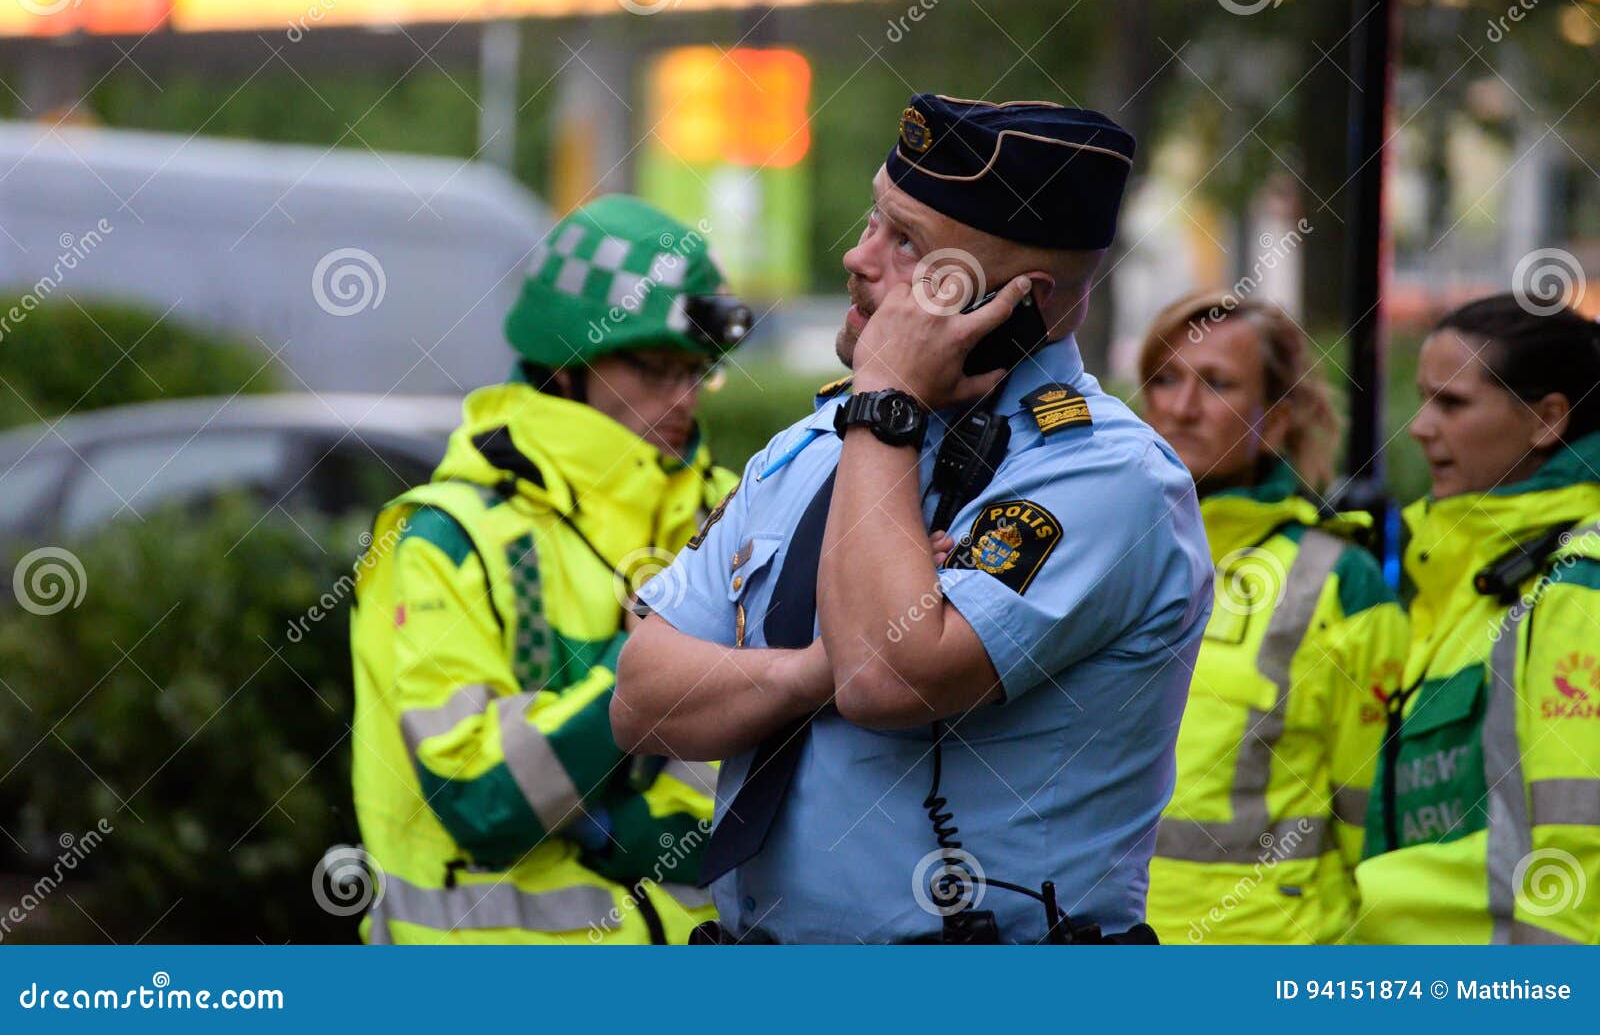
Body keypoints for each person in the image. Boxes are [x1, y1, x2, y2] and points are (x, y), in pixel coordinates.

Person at [612, 94, 1213, 944]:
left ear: (1019, 300)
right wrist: (817, 665)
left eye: (907, 244)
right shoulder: (816, 441)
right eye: (872, 219)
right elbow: (643, 702)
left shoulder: (1112, 480)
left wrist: (887, 405)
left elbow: (889, 681)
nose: (858, 257)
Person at [347, 195, 749, 943]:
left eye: (699, 372)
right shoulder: (446, 537)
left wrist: (618, 817)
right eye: (657, 368)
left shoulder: (737, 511)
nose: (685, 398)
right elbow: (486, 800)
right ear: (566, 366)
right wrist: (645, 661)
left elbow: (786, 761)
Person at [1136, 292, 1409, 944]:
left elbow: (1373, 815)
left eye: (1217, 384)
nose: (1180, 407)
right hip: (1095, 943)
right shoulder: (1100, 551)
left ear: (1279, 419)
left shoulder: (1340, 580)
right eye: (1164, 378)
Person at [1355, 292, 1600, 945]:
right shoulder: (1477, 572)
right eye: (1423, 397)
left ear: (1546, 419)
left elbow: (1581, 854)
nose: (1420, 427)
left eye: (1453, 402)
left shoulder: (1577, 580)